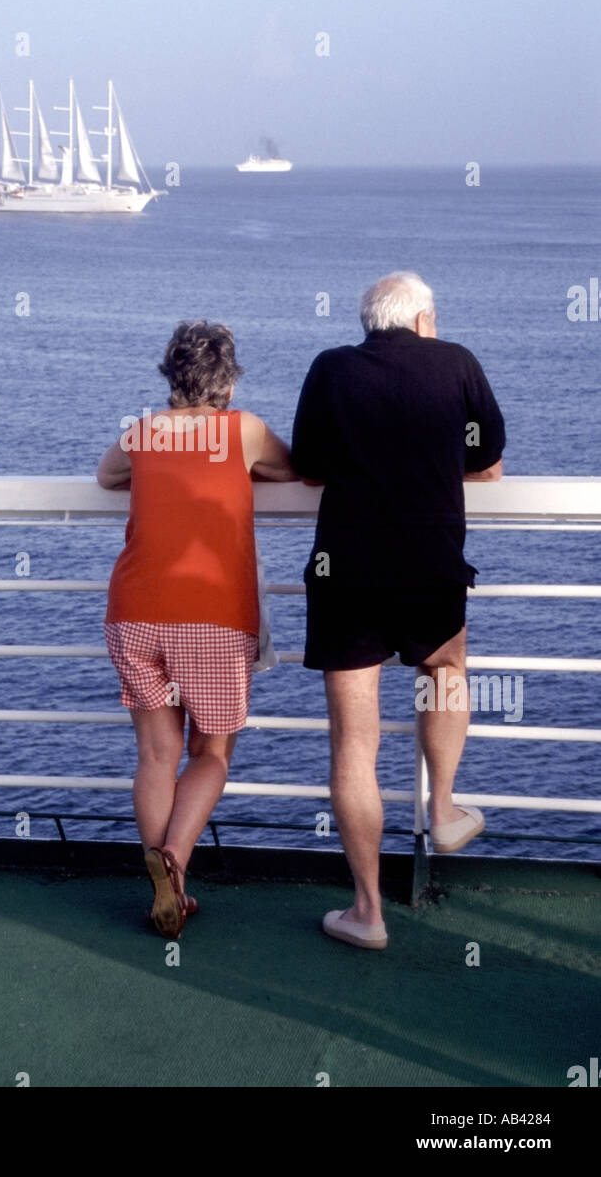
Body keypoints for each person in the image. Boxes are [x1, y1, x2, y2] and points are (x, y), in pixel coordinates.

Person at [290, 272, 505, 950]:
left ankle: (366, 913)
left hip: (345, 570)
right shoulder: (457, 362)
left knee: (354, 742)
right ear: (421, 321)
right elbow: (488, 461)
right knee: (444, 666)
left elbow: (310, 470)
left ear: (369, 324)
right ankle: (441, 809)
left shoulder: (330, 369)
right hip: (429, 563)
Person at [98, 320, 296, 938]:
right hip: (212, 616)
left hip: (134, 610)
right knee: (210, 753)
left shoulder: (142, 431)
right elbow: (290, 470)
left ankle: (166, 887)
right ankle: (175, 864)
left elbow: (108, 478)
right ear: (229, 382)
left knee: (157, 754)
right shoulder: (244, 430)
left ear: (169, 376)